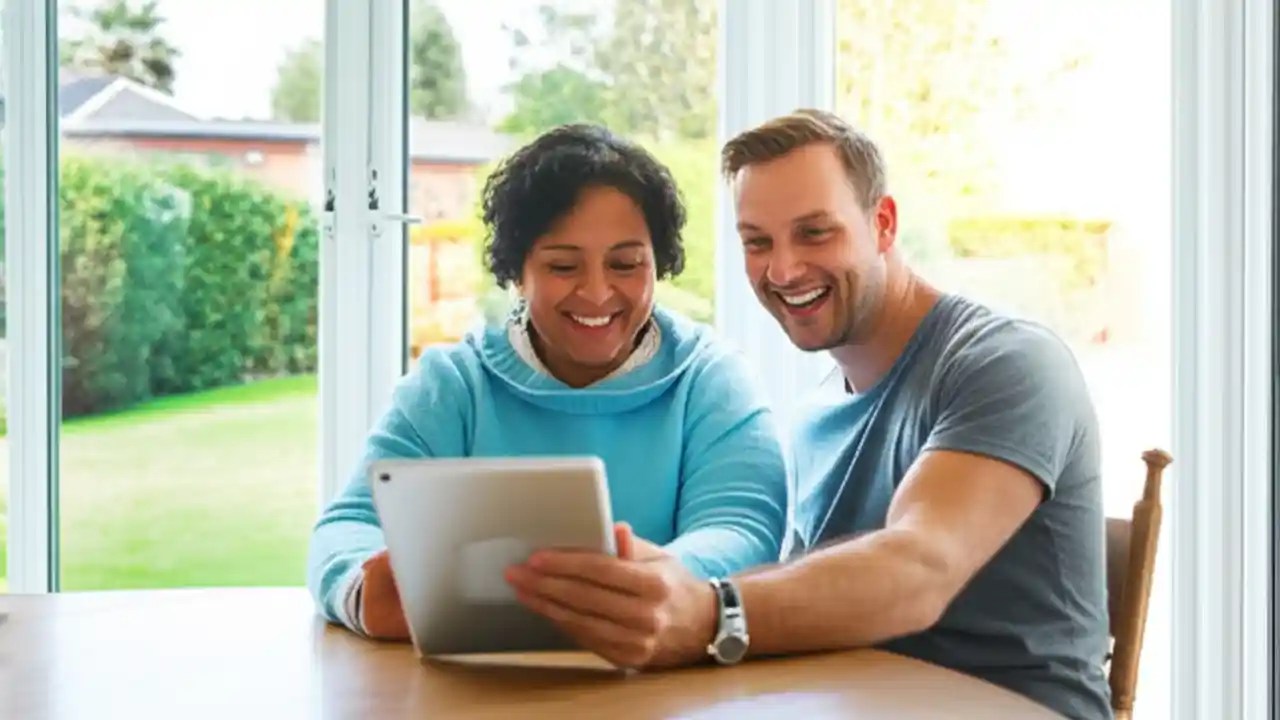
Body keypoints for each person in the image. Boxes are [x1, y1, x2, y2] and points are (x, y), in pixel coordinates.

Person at [504, 110, 1112, 720]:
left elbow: (920, 566)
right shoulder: (815, 412)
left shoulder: (1004, 363)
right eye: (758, 242)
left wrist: (709, 612)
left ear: (883, 224)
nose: (785, 270)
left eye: (815, 233)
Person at [307, 124, 790, 640]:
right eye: (563, 265)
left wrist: (640, 587)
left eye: (626, 264)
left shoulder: (711, 381)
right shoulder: (451, 386)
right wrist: (361, 593)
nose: (598, 292)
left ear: (658, 264)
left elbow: (743, 530)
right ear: (518, 271)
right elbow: (347, 526)